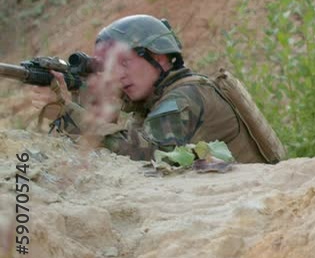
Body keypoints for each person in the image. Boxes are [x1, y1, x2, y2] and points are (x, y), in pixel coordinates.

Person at [32, 15, 270, 163]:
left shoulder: (186, 97)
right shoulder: (152, 104)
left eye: (125, 62)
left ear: (160, 57)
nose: (118, 74)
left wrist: (62, 111)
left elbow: (142, 153)